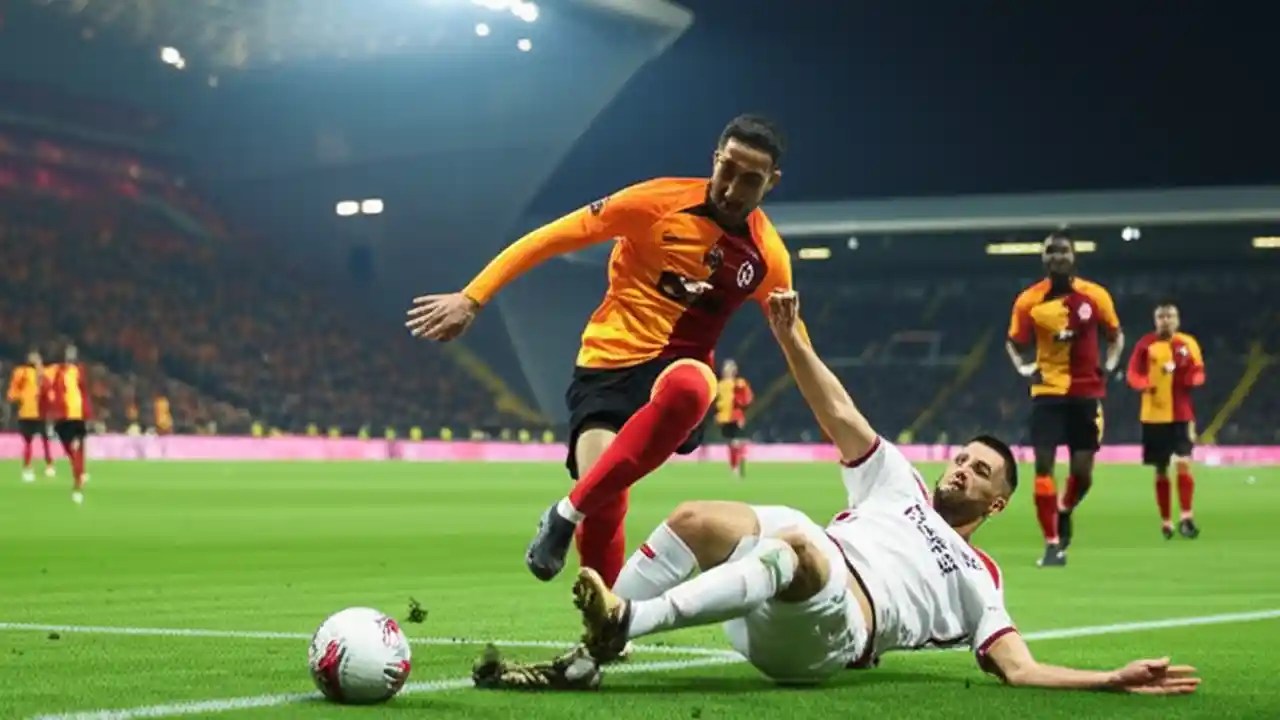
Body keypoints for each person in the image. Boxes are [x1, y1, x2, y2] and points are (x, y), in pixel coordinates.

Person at [472, 290, 1198, 695]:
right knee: (694, 516)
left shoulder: (981, 578)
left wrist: (1109, 679)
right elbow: (841, 413)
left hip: (832, 632)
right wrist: (792, 341)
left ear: (997, 504)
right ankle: (590, 657)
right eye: (962, 459)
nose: (961, 471)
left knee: (795, 541)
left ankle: (626, 620)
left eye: (981, 472)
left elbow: (1021, 669)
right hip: (778, 582)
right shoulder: (899, 482)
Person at [406, 114, 803, 585]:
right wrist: (473, 297)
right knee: (605, 504)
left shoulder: (768, 257)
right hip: (608, 365)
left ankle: (562, 514)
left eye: (751, 179)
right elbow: (552, 237)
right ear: (715, 160)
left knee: (693, 388)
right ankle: (605, 618)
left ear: (772, 182)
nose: (733, 188)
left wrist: (840, 422)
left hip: (679, 367)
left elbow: (792, 336)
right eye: (728, 170)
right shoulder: (654, 202)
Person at [1005, 232, 1124, 567]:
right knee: (1043, 467)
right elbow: (1014, 342)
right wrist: (1023, 367)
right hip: (1047, 393)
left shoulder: (1094, 295)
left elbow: (1115, 336)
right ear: (1043, 258)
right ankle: (1052, 543)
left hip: (1086, 393)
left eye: (1063, 251)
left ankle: (1065, 508)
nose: (1057, 256)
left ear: (1074, 256)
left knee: (1083, 474)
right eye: (1050, 251)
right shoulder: (1029, 301)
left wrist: (1110, 366)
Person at [1126, 300, 1204, 539]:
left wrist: (1193, 379)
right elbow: (1133, 373)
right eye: (1161, 316)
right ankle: (1166, 521)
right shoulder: (1145, 345)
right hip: (1153, 416)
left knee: (1183, 462)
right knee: (1160, 470)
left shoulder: (1188, 344)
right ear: (1155, 320)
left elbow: (1198, 370)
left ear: (1177, 319)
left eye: (1170, 316)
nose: (1166, 320)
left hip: (1181, 414)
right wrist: (1144, 384)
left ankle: (1187, 517)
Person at [49, 344, 91, 504]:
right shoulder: (60, 371)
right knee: (73, 446)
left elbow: (83, 391)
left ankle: (78, 479)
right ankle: (79, 471)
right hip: (67, 414)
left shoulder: (74, 371)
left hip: (72, 414)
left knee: (76, 446)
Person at [7, 349, 55, 481]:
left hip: (39, 412)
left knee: (44, 439)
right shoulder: (21, 372)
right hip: (28, 412)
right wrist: (21, 397)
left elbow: (49, 390)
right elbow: (12, 393)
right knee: (30, 441)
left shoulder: (44, 373)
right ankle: (29, 467)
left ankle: (48, 465)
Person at [715, 359, 754, 478]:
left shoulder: (739, 383)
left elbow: (747, 399)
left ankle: (736, 467)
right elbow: (717, 401)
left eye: (729, 369)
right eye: (725, 369)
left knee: (735, 442)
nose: (726, 371)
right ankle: (736, 465)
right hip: (724, 418)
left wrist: (740, 408)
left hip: (735, 417)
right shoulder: (720, 385)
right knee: (731, 443)